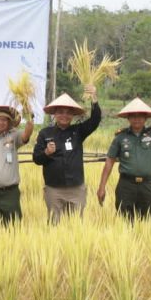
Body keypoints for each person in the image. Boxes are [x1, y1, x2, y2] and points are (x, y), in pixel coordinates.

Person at [95, 92, 151, 222]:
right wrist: (102, 187)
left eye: (140, 116)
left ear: (145, 118)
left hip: (147, 186)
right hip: (126, 186)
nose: (137, 119)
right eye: (133, 116)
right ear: (128, 118)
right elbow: (109, 162)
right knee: (125, 223)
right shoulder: (120, 137)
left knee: (148, 224)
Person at [31, 86, 101, 222]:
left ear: (73, 115)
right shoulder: (45, 133)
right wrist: (46, 152)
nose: (64, 115)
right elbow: (36, 158)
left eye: (68, 113)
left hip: (76, 189)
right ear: (55, 114)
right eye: (61, 112)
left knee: (76, 226)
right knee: (54, 226)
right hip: (54, 190)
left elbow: (95, 120)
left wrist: (94, 98)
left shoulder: (78, 131)